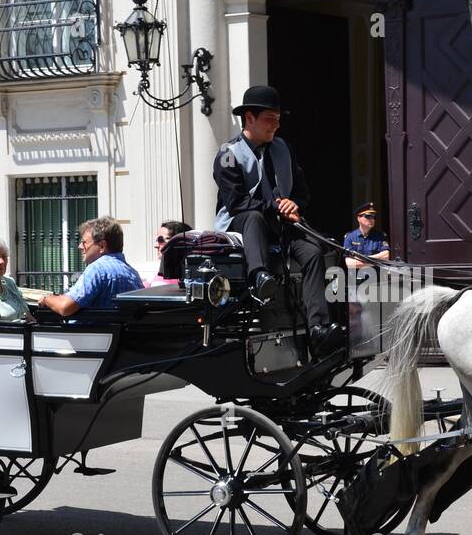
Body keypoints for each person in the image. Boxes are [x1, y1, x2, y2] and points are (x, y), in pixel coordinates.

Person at [213, 84, 342, 357]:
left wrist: (294, 203)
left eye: (278, 120)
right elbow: (236, 203)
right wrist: (276, 207)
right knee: (254, 217)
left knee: (313, 251)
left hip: (280, 225)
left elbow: (302, 193)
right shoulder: (228, 154)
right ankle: (259, 276)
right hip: (243, 225)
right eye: (270, 120)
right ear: (249, 118)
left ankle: (318, 328)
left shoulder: (285, 149)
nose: (276, 126)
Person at [37, 217, 142, 317]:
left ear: (102, 246)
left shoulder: (97, 269)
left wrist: (47, 299)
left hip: (88, 333)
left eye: (84, 242)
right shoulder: (133, 274)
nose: (80, 246)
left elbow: (65, 307)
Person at [343, 201, 392, 270]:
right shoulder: (350, 237)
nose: (372, 220)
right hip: (356, 278)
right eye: (368, 216)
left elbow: (386, 256)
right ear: (359, 218)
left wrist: (362, 260)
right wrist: (376, 261)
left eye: (373, 217)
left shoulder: (380, 236)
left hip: (377, 278)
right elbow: (350, 264)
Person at [148, 220, 191, 287]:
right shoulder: (158, 276)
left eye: (160, 240)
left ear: (177, 243)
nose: (156, 245)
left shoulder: (160, 283)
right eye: (157, 240)